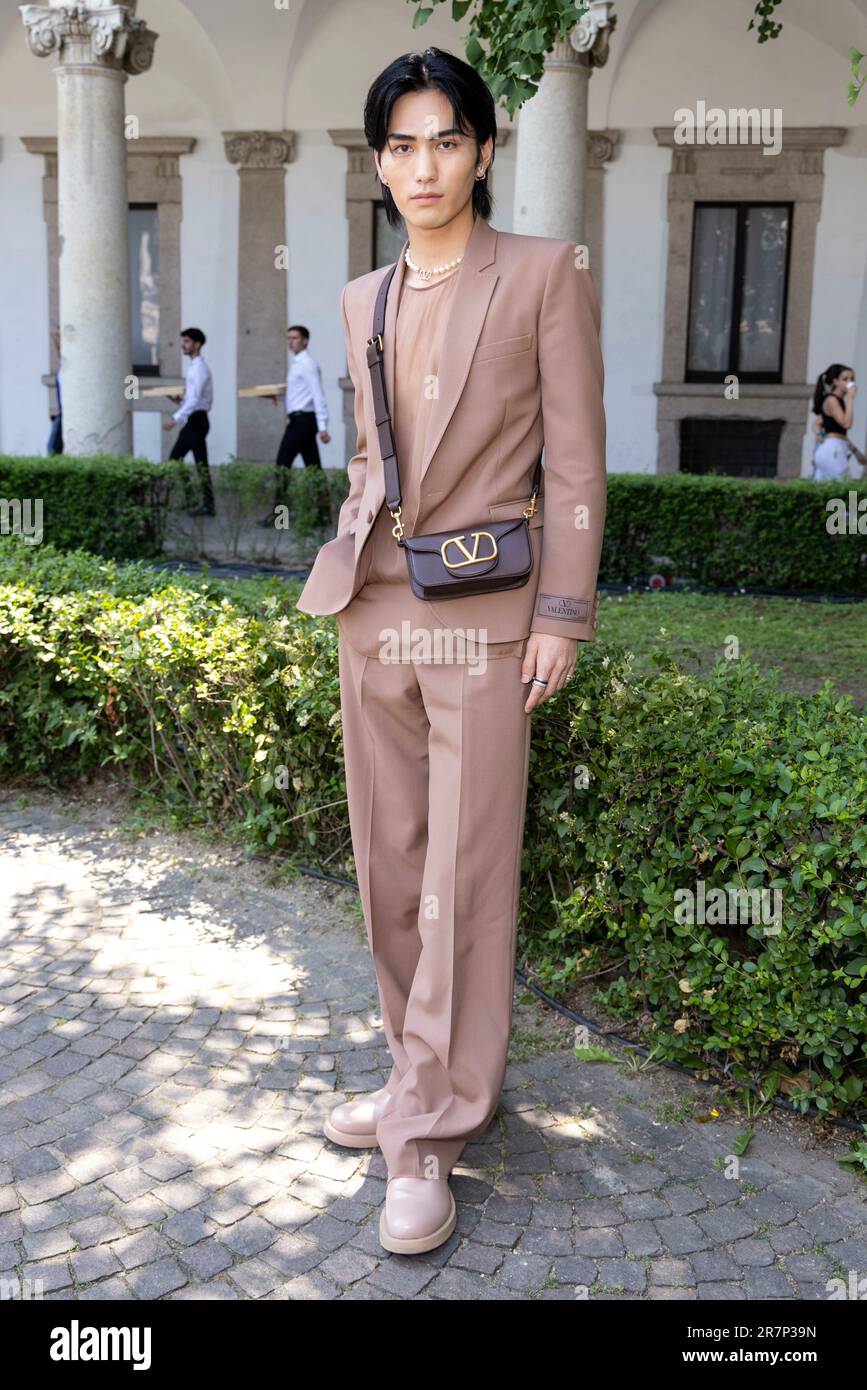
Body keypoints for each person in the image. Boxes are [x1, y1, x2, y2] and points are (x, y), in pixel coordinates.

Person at [295, 47, 606, 1256]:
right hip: (373, 609)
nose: (424, 164)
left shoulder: (542, 275)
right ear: (380, 161)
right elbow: (377, 455)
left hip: (487, 618)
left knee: (463, 882)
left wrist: (562, 615)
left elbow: (574, 461)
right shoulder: (362, 297)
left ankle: (428, 1131)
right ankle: (416, 1073)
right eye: (401, 144)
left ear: (483, 149)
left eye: (446, 139)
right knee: (389, 866)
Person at [258, 325, 331, 527]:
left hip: (303, 423)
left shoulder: (307, 364)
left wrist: (323, 426)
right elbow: (300, 396)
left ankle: (280, 519)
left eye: (295, 338)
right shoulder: (298, 364)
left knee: (282, 467)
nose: (291, 341)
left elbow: (318, 396)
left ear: (305, 341)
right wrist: (279, 398)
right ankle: (324, 515)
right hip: (301, 420)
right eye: (289, 338)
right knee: (314, 468)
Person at [164, 327, 215, 516]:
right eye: (183, 341)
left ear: (197, 344)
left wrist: (175, 418)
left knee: (198, 463)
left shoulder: (199, 369)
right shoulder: (194, 367)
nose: (183, 345)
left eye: (187, 341)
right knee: (179, 459)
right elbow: (193, 399)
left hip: (197, 420)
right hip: (195, 420)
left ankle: (206, 504)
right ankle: (197, 500)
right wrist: (179, 401)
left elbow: (195, 401)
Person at [811, 362, 865, 481]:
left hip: (835, 448)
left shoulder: (838, 401)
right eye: (845, 379)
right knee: (848, 492)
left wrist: (855, 452)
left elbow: (819, 424)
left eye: (852, 379)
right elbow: (846, 424)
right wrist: (850, 398)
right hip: (832, 451)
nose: (850, 382)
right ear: (835, 381)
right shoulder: (832, 400)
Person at [47, 325, 63, 455]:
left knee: (53, 449)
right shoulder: (63, 366)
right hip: (62, 413)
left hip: (67, 413)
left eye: (58, 335)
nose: (55, 338)